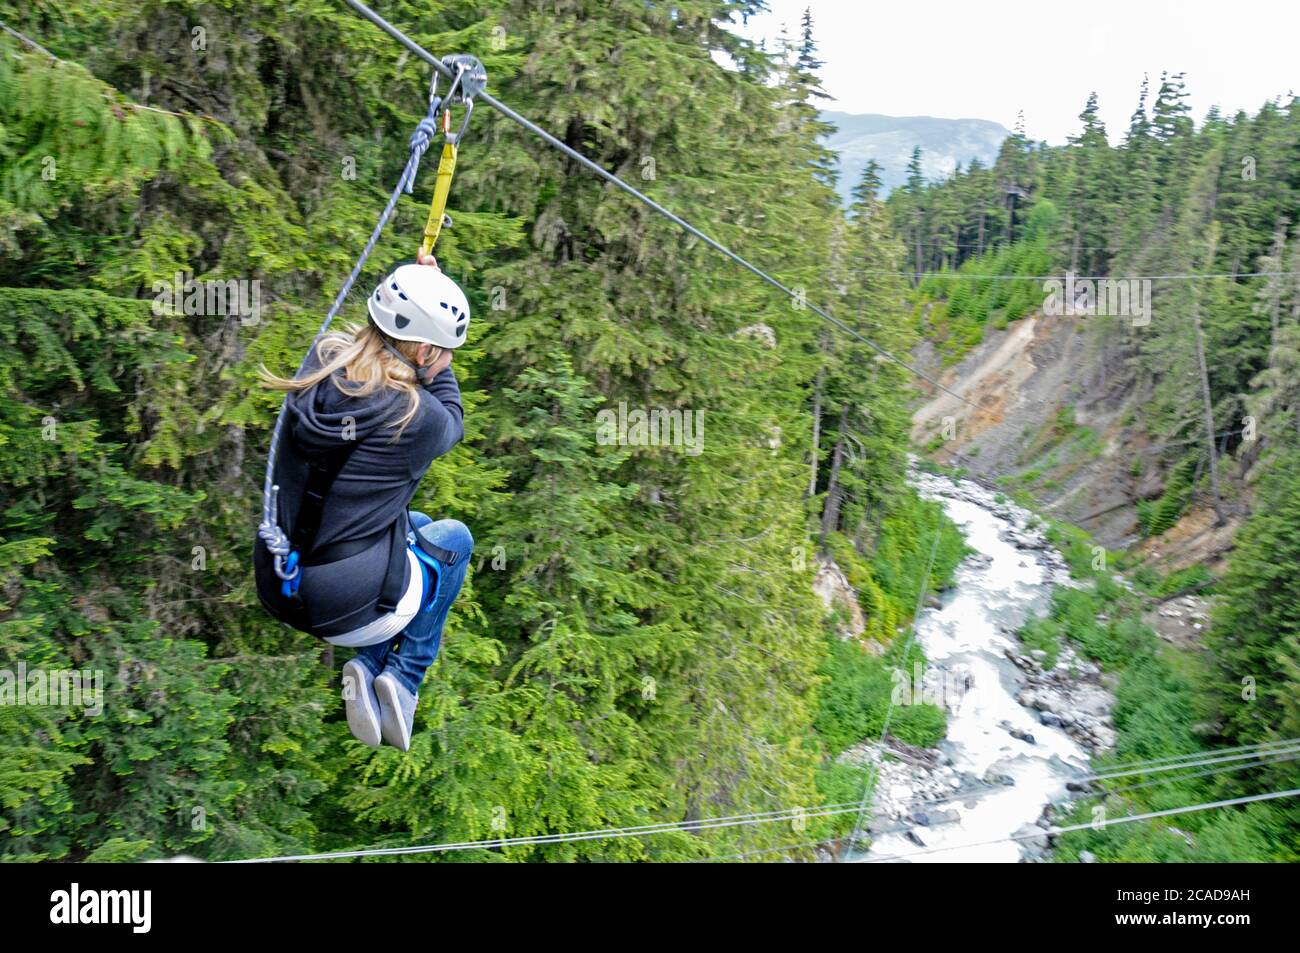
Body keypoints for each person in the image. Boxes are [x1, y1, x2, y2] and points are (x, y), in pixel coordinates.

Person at [254, 254, 472, 750]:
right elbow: (452, 416)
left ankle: (374, 663)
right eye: (446, 352)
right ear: (421, 351)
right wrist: (431, 347)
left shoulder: (320, 363)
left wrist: (420, 288)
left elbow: (374, 338)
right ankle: (400, 675)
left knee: (415, 522)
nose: (448, 363)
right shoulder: (417, 418)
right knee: (453, 540)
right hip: (345, 607)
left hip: (279, 581)